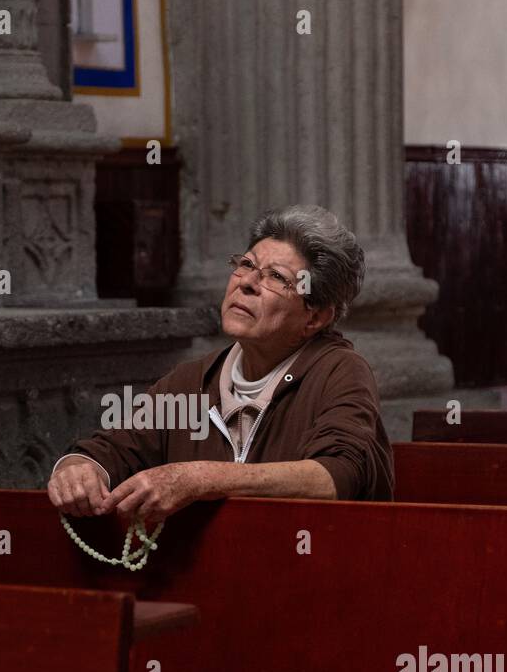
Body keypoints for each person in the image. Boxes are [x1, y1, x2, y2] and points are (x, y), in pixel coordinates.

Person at [48, 204, 394, 525]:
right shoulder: (192, 380)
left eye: (275, 277)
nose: (246, 283)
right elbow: (114, 447)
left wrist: (201, 479)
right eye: (246, 265)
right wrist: (80, 469)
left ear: (315, 316)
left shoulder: (339, 372)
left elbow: (337, 476)